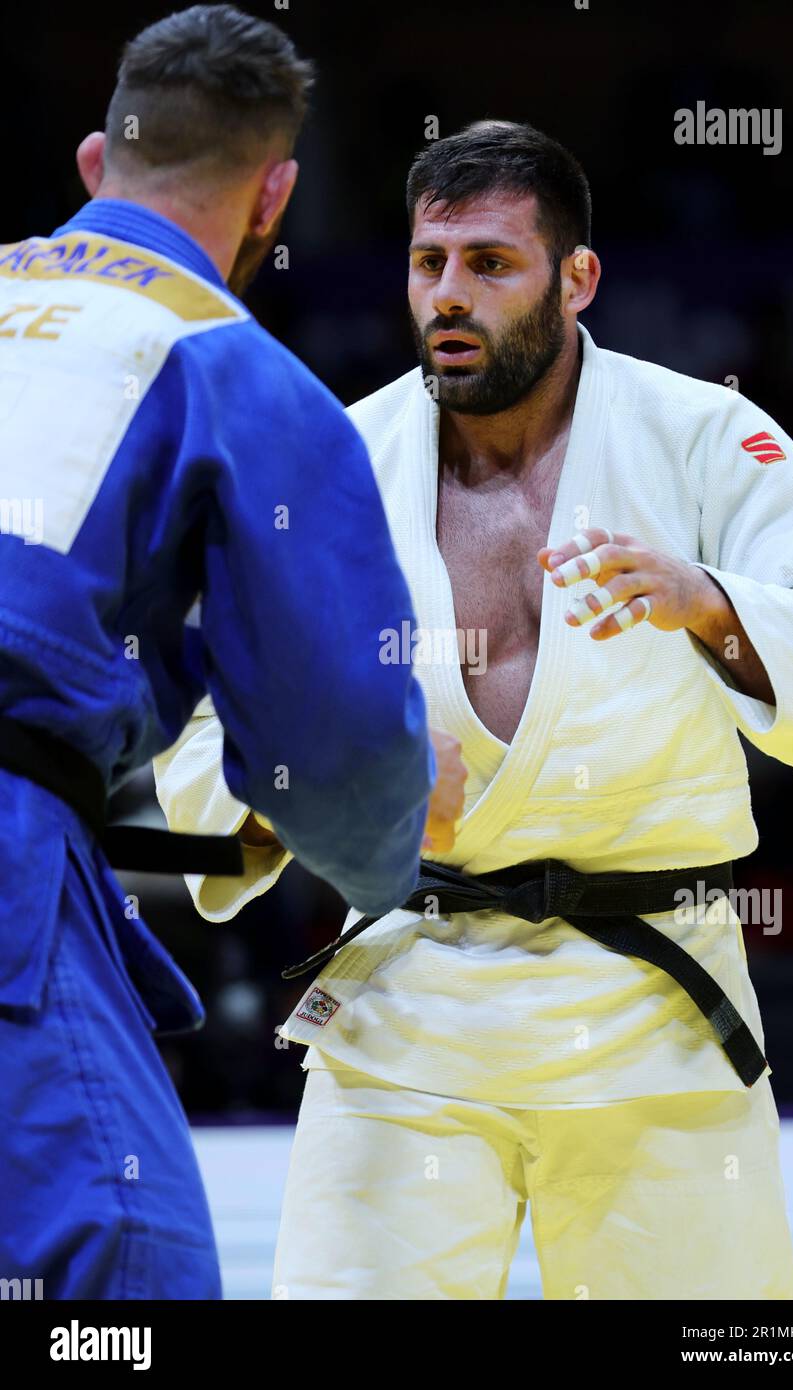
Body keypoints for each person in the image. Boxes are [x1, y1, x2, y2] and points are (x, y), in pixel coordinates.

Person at [155, 120, 793, 1300]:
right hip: (406, 1012)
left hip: (657, 1017)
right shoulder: (336, 463)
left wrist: (708, 604)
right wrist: (337, 779)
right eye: (429, 261)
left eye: (490, 263)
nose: (448, 294)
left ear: (574, 279)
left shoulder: (701, 440)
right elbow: (201, 737)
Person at [0, 5, 465, 1300]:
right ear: (277, 195)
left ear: (97, 164)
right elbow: (339, 731)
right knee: (123, 1275)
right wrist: (373, 833)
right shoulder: (232, 367)